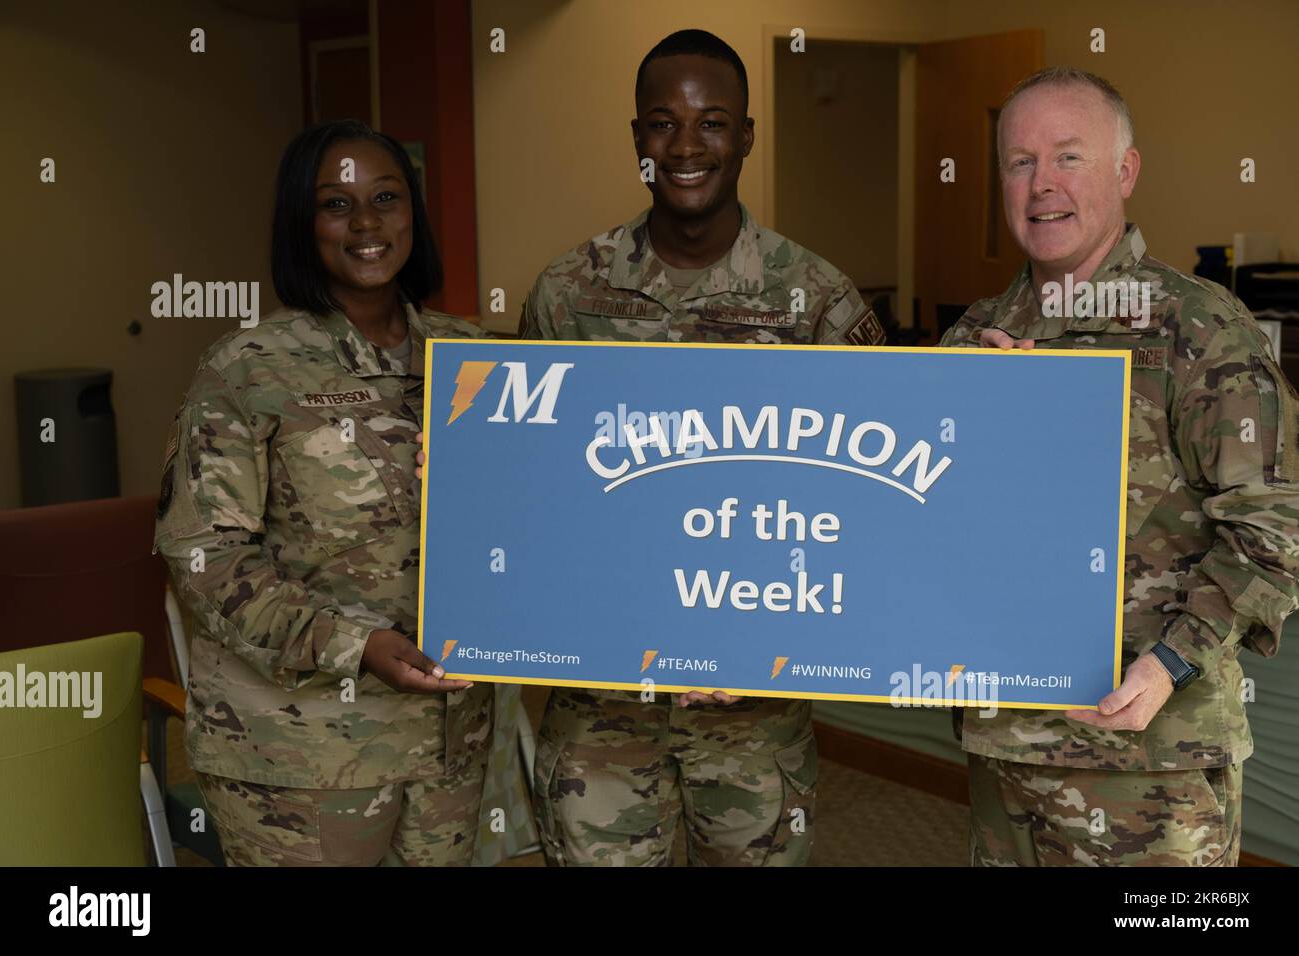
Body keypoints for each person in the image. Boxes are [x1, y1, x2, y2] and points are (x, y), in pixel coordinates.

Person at [519, 29, 882, 867]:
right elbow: (531, 484)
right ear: (637, 140)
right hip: (601, 704)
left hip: (755, 713)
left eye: (713, 122)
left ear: (747, 135)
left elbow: (866, 509)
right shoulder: (568, 293)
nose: (686, 147)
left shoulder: (816, 300)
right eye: (662, 124)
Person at [940, 68, 1299, 866]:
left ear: (1125, 172)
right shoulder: (972, 340)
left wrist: (1172, 660)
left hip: (1152, 765)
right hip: (1007, 748)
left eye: (1070, 158)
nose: (1042, 185)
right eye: (1019, 162)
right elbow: (924, 528)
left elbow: (1277, 522)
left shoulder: (1198, 328)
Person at [154, 119, 493, 866]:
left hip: (450, 744)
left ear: (415, 214)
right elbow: (206, 558)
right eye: (335, 204)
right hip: (300, 754)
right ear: (300, 224)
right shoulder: (246, 368)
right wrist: (355, 645)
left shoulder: (474, 358)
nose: (366, 224)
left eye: (386, 197)